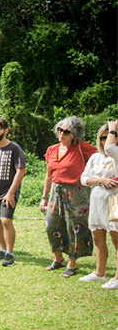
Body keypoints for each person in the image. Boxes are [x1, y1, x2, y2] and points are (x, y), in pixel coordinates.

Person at [38, 115, 96, 277]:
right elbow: (49, 175)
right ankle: (58, 258)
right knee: (51, 224)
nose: (62, 134)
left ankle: (72, 261)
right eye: (60, 130)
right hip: (55, 191)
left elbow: (102, 157)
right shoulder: (52, 149)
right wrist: (44, 197)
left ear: (75, 134)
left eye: (66, 131)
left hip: (76, 192)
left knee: (75, 227)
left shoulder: (82, 148)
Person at [0, 118, 26, 267]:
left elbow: (21, 171)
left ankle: (9, 253)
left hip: (8, 192)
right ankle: (1, 250)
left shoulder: (14, 148)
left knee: (6, 220)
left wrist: (11, 192)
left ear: (5, 131)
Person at [80, 121, 118, 287]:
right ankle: (99, 272)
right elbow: (83, 178)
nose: (105, 141)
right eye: (102, 137)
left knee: (116, 239)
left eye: (108, 136)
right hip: (97, 198)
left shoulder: (116, 154)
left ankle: (117, 277)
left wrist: (113, 129)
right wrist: (100, 180)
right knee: (97, 236)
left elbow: (110, 148)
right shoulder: (95, 157)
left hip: (114, 199)